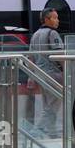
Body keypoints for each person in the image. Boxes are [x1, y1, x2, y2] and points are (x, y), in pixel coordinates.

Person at [30, 7, 64, 136]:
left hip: (40, 74)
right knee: (53, 104)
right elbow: (59, 54)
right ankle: (36, 131)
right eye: (54, 18)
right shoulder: (52, 34)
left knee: (47, 104)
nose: (57, 21)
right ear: (46, 19)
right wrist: (67, 72)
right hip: (53, 74)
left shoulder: (35, 35)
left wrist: (32, 77)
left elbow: (31, 57)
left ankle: (51, 130)